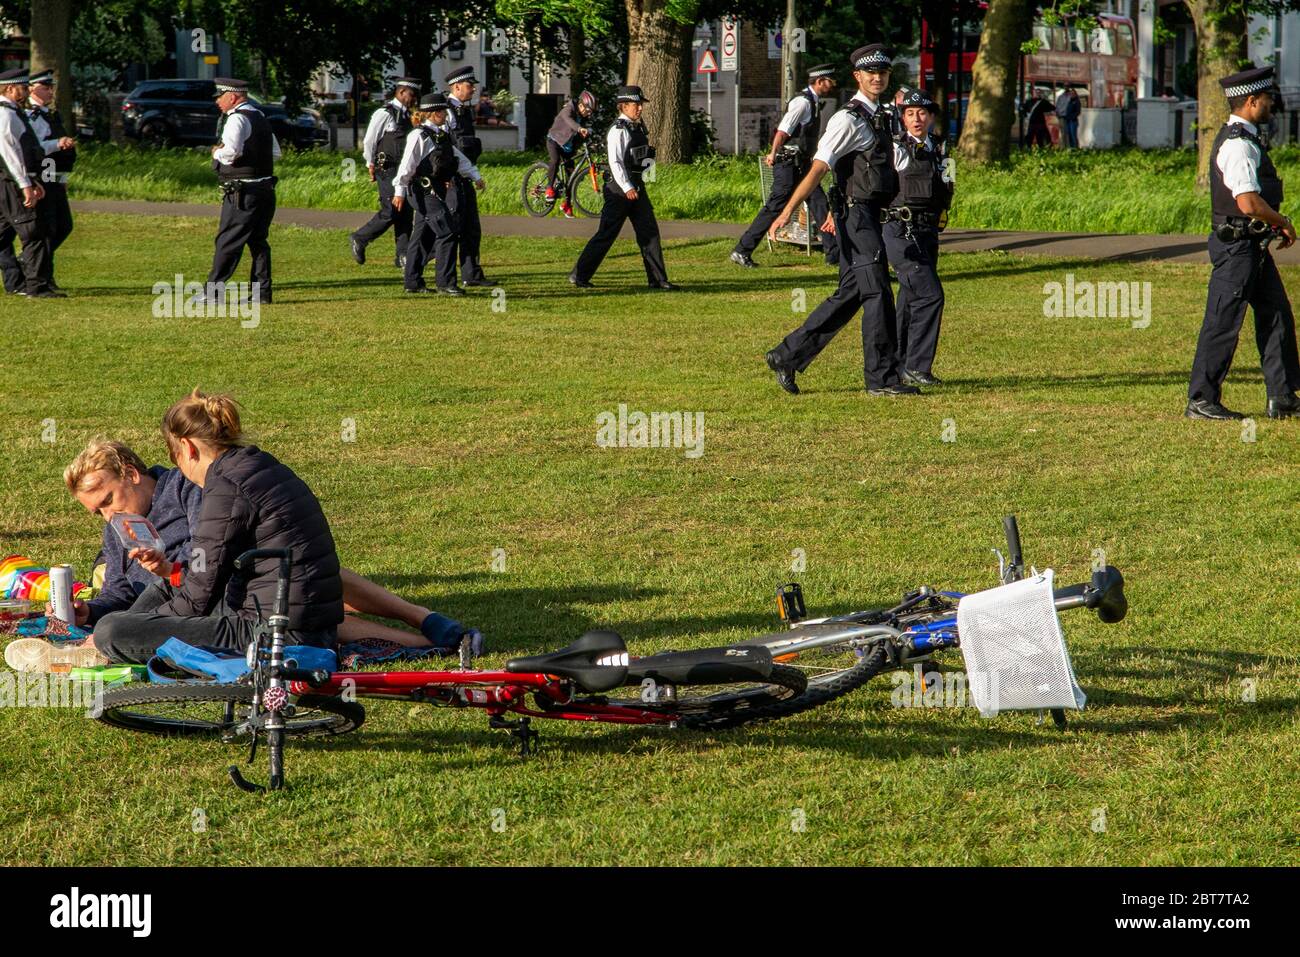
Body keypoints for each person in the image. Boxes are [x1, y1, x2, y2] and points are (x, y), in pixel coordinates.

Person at [61, 438, 474, 650]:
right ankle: (428, 644)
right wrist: (90, 609)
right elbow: (118, 590)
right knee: (303, 595)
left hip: (219, 587)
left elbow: (214, 550)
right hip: (170, 601)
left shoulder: (186, 488)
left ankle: (422, 621)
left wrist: (168, 566)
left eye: (108, 501)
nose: (108, 516)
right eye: (97, 512)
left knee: (306, 581)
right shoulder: (116, 529)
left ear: (131, 473)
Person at [90, 390, 343, 663]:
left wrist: (146, 628)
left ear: (187, 448)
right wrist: (150, 609)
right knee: (165, 588)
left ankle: (106, 643)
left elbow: (198, 596)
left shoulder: (225, 486)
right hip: (297, 623)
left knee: (111, 631)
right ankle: (119, 632)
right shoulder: (258, 465)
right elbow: (202, 573)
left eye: (177, 460)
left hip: (273, 636)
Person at [763, 44, 914, 397]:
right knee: (877, 293)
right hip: (858, 218)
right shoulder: (847, 119)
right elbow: (819, 168)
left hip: (866, 216)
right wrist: (788, 210)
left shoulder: (884, 116)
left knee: (852, 293)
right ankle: (882, 380)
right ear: (857, 77)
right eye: (870, 73)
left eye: (883, 72)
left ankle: (786, 355)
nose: (877, 78)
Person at [1186, 65, 1300, 420]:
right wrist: (1282, 221)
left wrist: (1271, 227)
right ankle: (1201, 399)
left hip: (1251, 245)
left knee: (1277, 316)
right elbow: (1247, 202)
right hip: (1237, 248)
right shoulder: (1238, 144)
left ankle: (1282, 397)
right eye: (1268, 99)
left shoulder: (1246, 139)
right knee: (1222, 322)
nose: (1272, 105)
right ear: (1252, 101)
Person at [731, 64, 840, 269]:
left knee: (819, 203)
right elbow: (782, 131)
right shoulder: (802, 103)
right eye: (829, 82)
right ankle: (742, 250)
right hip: (789, 164)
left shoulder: (814, 102)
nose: (832, 86)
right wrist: (773, 153)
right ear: (819, 82)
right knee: (775, 206)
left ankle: (833, 253)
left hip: (803, 164)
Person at [569, 86, 676, 290]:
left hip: (637, 188)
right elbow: (615, 162)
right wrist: (627, 187)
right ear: (624, 106)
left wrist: (646, 179)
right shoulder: (618, 130)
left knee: (649, 233)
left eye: (640, 105)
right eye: (636, 105)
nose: (640, 109)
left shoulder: (638, 127)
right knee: (606, 235)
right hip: (619, 191)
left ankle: (658, 280)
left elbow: (643, 156)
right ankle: (579, 275)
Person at [883, 89, 952, 387]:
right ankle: (917, 367)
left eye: (922, 113)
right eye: (909, 113)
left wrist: (943, 213)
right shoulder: (895, 148)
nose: (916, 118)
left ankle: (899, 364)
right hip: (900, 229)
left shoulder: (942, 149)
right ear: (902, 118)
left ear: (932, 117)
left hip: (928, 232)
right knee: (931, 295)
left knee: (911, 298)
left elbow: (948, 185)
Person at [392, 92, 485, 296]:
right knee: (448, 231)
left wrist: (475, 176)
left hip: (433, 191)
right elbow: (406, 166)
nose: (445, 113)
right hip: (422, 191)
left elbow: (457, 158)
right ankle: (445, 282)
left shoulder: (439, 135)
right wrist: (399, 191)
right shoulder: (419, 135)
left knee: (423, 235)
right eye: (442, 110)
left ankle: (413, 281)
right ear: (433, 113)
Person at [199, 78, 280, 306]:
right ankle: (261, 292)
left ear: (232, 97)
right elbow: (276, 152)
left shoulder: (236, 119)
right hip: (265, 188)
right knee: (258, 241)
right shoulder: (260, 116)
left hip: (243, 193)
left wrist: (216, 153)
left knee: (228, 240)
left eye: (220, 96)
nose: (217, 101)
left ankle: (213, 292)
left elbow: (231, 153)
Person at [350, 77, 420, 269]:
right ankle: (360, 237)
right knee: (391, 210)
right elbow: (369, 140)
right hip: (387, 169)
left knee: (405, 212)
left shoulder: (406, 116)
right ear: (402, 92)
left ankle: (403, 255)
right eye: (412, 95)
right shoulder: (384, 113)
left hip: (403, 170)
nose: (414, 99)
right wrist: (369, 163)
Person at [0, 67, 57, 298]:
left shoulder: (13, 112)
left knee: (3, 233)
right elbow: (9, 154)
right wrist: (25, 185)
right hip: (10, 182)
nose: (26, 91)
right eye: (23, 87)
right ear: (11, 88)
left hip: (14, 180)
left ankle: (17, 281)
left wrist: (33, 180)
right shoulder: (5, 115)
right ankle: (37, 286)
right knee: (32, 231)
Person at [445, 66, 495, 287]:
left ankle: (471, 274)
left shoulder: (463, 110)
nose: (473, 89)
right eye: (469, 85)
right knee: (449, 227)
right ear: (457, 87)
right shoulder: (447, 111)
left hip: (464, 174)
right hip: (453, 178)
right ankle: (413, 264)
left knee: (471, 228)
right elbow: (447, 146)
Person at [544, 89, 597, 219]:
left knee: (572, 176)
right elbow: (569, 121)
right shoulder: (568, 109)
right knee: (555, 161)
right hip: (554, 141)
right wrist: (579, 128)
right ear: (581, 105)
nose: (589, 113)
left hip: (567, 147)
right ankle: (549, 188)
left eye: (591, 111)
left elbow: (583, 133)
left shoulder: (583, 117)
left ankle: (566, 204)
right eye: (588, 110)